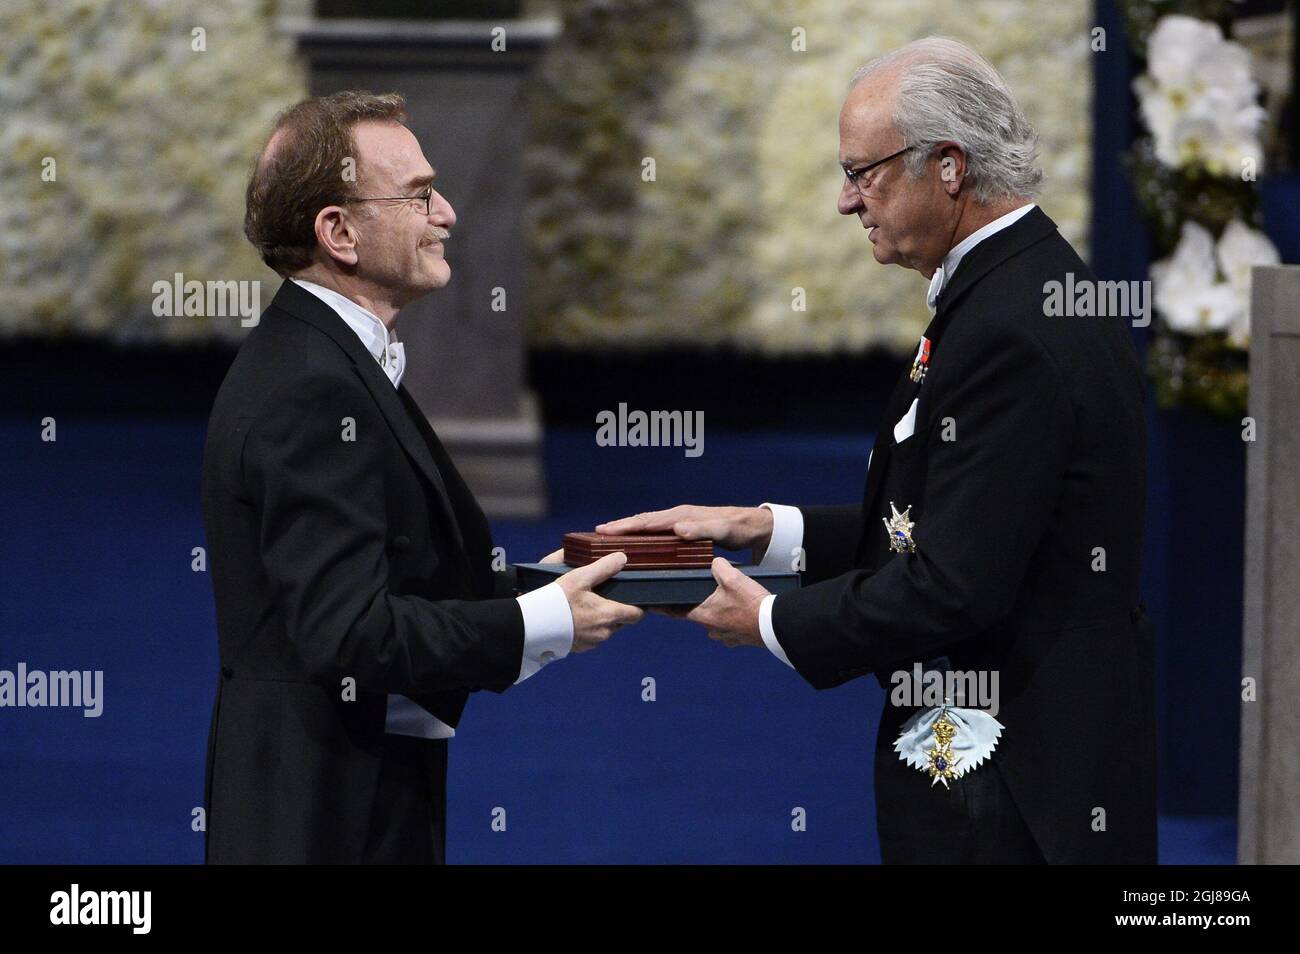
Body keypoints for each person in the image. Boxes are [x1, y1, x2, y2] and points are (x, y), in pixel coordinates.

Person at [599, 38, 1156, 864]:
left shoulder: (1008, 327)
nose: (845, 202)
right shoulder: (1017, 284)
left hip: (1010, 788)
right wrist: (766, 527)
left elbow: (956, 586)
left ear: (950, 167)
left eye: (863, 173)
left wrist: (772, 619)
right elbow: (952, 514)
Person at [201, 91, 642, 864]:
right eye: (416, 195)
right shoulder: (313, 385)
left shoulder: (331, 357)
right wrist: (542, 623)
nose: (447, 213)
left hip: (352, 783)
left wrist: (549, 590)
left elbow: (402, 576)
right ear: (338, 232)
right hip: (319, 815)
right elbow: (351, 633)